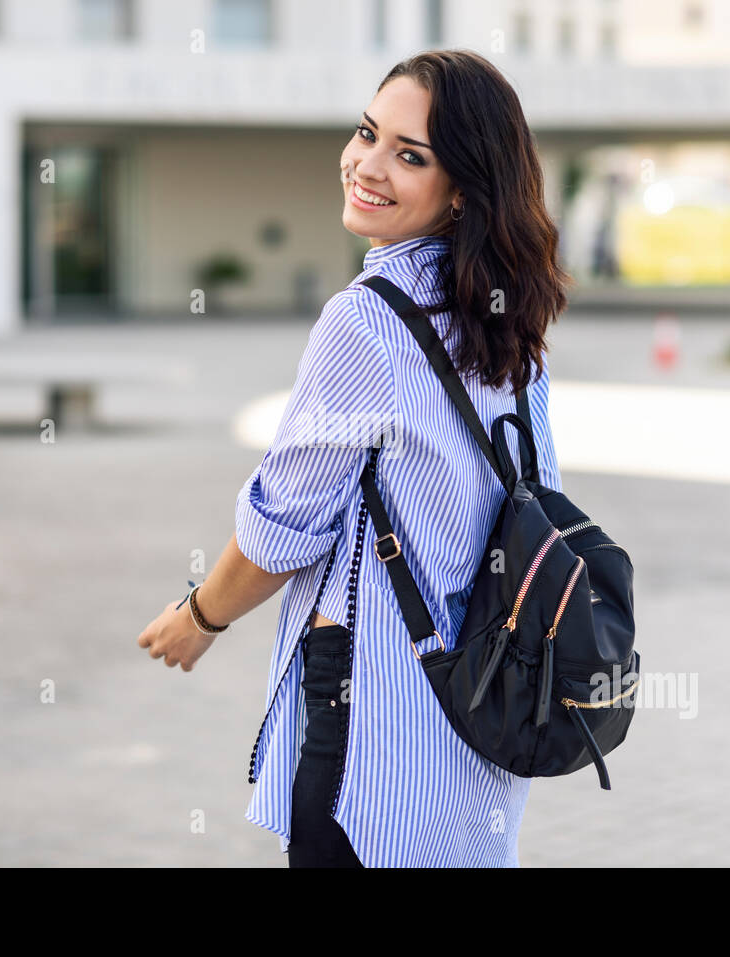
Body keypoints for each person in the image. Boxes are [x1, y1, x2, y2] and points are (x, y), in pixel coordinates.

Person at [136, 49, 570, 867]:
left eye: (410, 155)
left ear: (464, 189)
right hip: (487, 697)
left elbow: (282, 529)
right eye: (368, 133)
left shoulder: (365, 321)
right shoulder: (512, 321)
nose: (367, 165)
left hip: (372, 712)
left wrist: (199, 617)